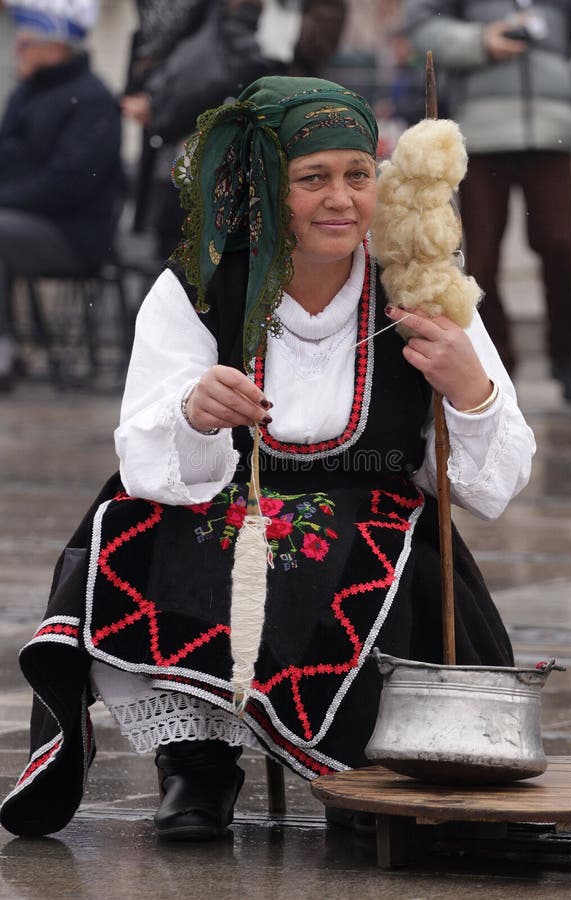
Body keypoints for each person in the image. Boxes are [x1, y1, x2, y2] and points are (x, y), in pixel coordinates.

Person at [0, 75, 535, 842]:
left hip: (374, 518)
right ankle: (198, 758)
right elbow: (144, 448)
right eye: (313, 178)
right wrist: (193, 412)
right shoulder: (200, 287)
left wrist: (470, 390)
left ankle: (360, 765)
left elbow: (491, 486)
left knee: (363, 560)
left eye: (359, 174)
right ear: (263, 188)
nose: (341, 199)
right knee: (131, 529)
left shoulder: (421, 288)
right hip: (226, 497)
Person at [404, 0, 571, 402]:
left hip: (552, 130)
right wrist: (479, 41)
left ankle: (568, 358)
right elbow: (422, 26)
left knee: (562, 245)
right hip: (480, 132)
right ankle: (497, 363)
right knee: (482, 257)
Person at [121, 0, 347, 257]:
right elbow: (195, 52)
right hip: (205, 134)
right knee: (189, 236)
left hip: (274, 132)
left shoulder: (310, 14)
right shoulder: (220, 19)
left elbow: (315, 45)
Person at [0, 0, 122, 390]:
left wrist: (6, 197)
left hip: (73, 234)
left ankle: (3, 350)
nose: (15, 49)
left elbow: (68, 184)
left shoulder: (92, 99)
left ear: (55, 49)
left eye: (25, 43)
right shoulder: (27, 93)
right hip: (26, 219)